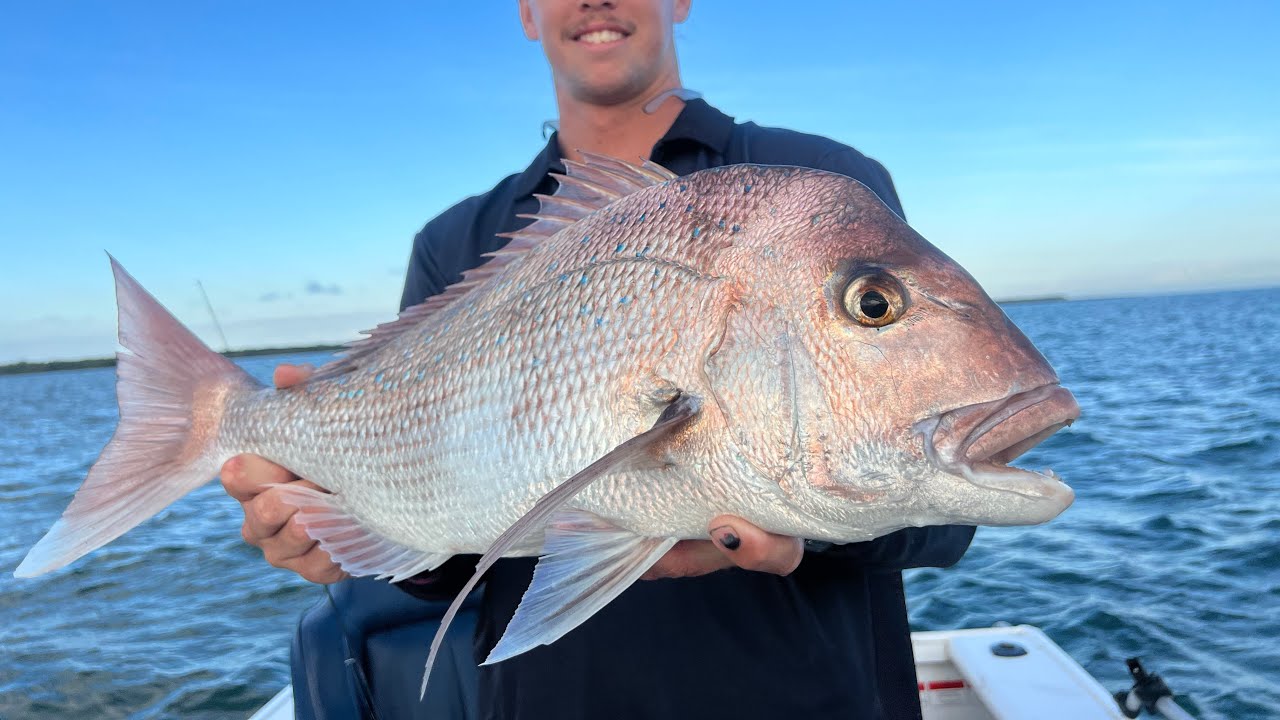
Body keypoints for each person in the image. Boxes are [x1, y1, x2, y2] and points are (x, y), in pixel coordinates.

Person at [220, 1, 976, 718]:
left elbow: (946, 509)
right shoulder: (457, 240)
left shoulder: (812, 183)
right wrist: (339, 528)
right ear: (525, 12)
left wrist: (816, 520)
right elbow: (448, 556)